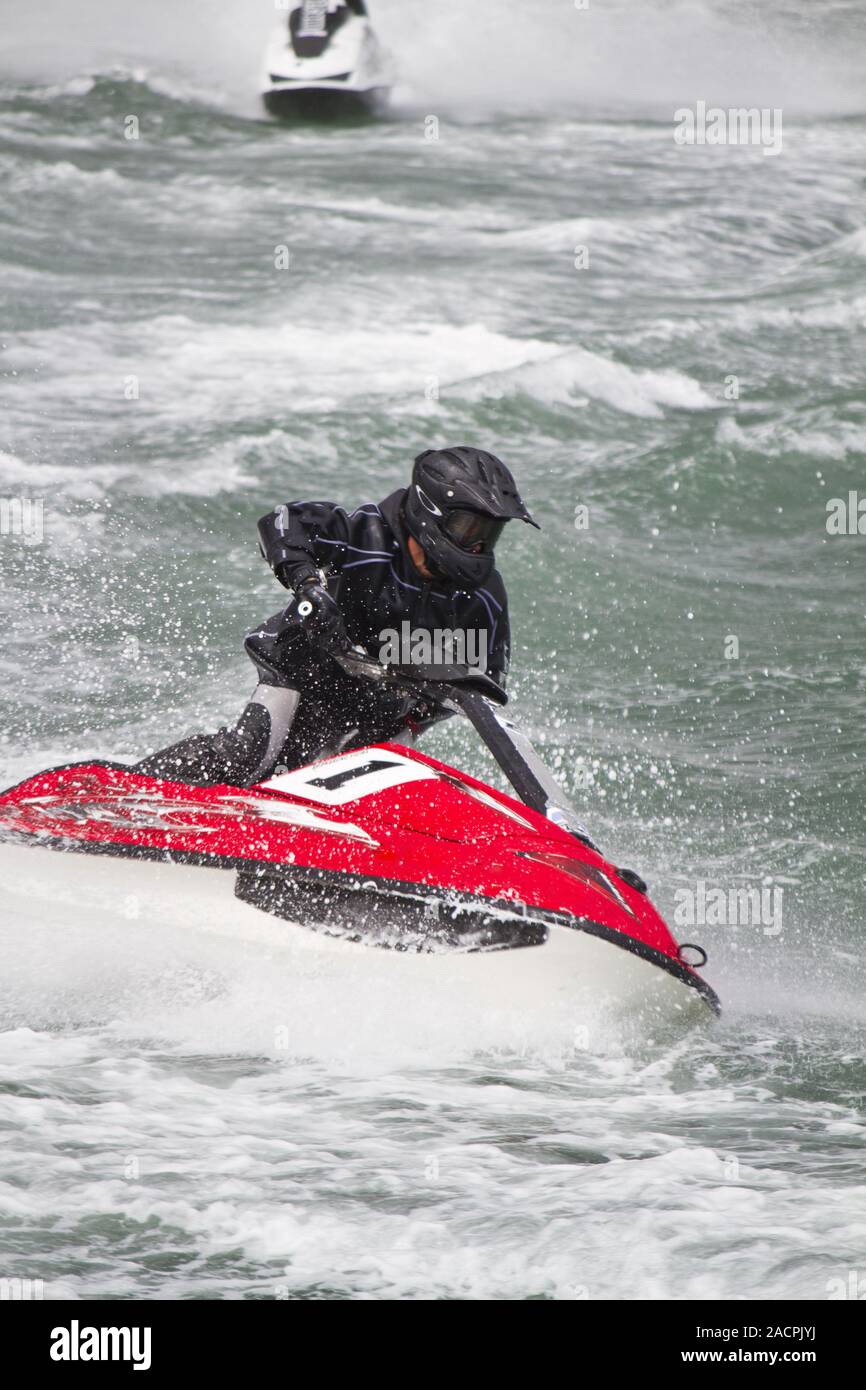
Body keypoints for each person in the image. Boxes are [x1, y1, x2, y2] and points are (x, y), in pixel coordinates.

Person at [135, 447, 539, 787]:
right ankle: (129, 791)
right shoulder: (365, 536)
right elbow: (280, 523)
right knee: (249, 756)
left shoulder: (483, 597)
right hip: (303, 673)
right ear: (430, 512)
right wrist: (309, 586)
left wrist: (425, 698)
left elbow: (487, 683)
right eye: (470, 528)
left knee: (360, 792)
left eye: (491, 532)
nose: (480, 544)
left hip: (385, 709)